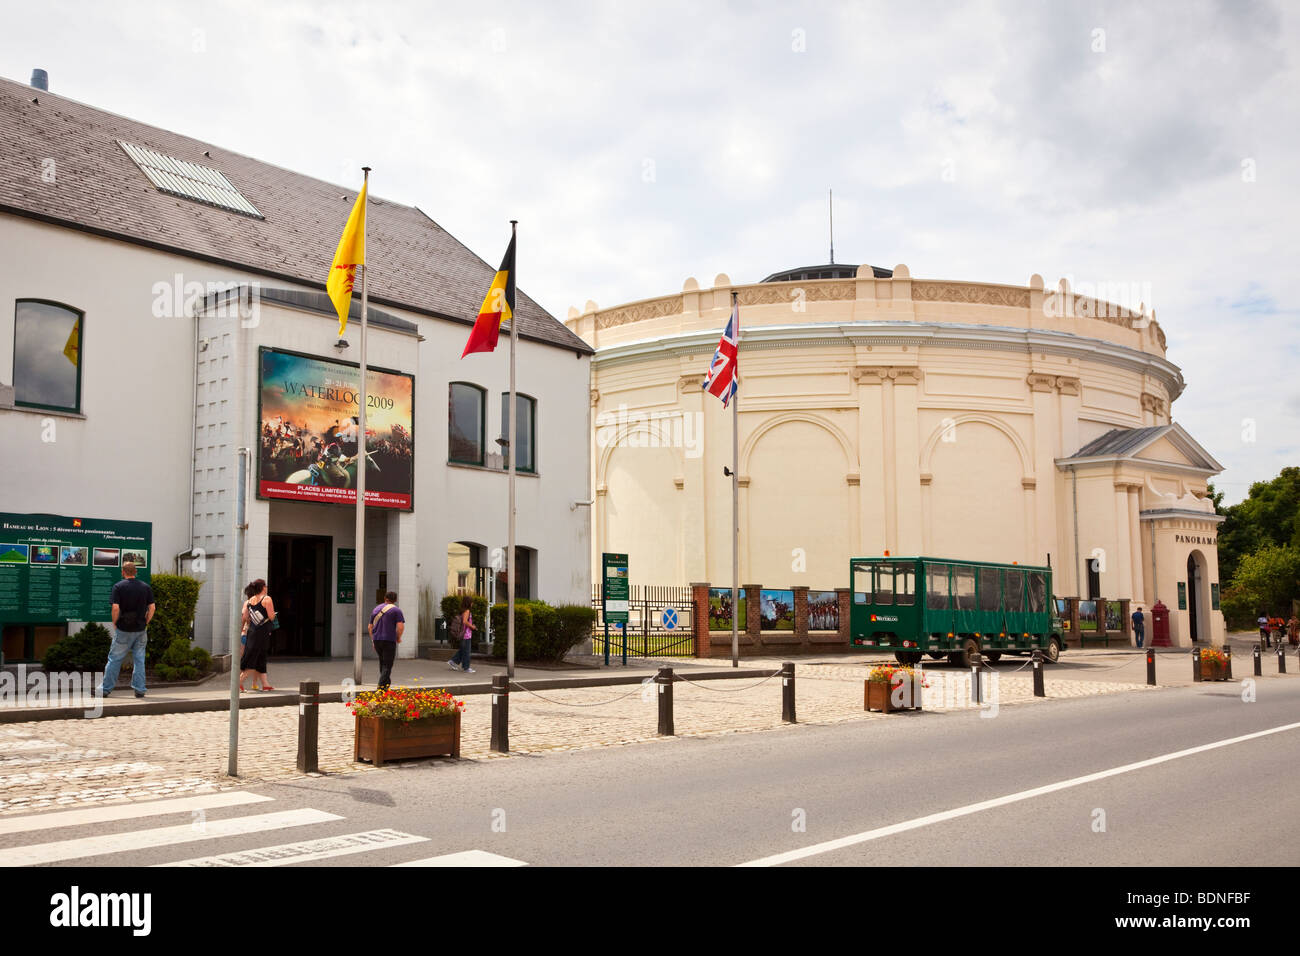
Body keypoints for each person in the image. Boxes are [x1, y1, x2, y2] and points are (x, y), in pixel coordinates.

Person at [101, 561, 155, 698]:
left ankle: (105, 689)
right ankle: (140, 689)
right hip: (140, 630)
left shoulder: (118, 587)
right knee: (139, 659)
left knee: (114, 659)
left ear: (123, 572)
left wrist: (114, 622)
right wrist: (146, 622)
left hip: (123, 629)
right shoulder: (145, 587)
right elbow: (152, 607)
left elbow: (115, 608)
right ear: (135, 572)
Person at [239, 579, 275, 691]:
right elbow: (271, 616)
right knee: (254, 658)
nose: (267, 587)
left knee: (261, 657)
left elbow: (244, 617)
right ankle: (238, 682)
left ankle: (265, 684)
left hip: (252, 632)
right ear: (263, 587)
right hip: (262, 632)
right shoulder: (267, 599)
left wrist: (241, 630)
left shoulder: (250, 601)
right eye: (266, 585)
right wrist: (273, 615)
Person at [368, 590, 405, 690]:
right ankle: (380, 688)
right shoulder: (396, 610)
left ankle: (385, 687)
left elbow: (370, 626)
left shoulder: (376, 609)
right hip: (389, 640)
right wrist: (398, 637)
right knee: (388, 665)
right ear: (396, 599)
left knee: (383, 663)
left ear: (385, 598)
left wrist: (373, 640)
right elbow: (400, 626)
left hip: (377, 640)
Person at [448, 595, 476, 674]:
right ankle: (466, 668)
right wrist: (472, 626)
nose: (472, 603)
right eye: (471, 602)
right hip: (465, 635)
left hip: (465, 634)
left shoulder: (463, 610)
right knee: (466, 652)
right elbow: (464, 621)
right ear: (469, 603)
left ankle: (453, 661)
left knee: (463, 650)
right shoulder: (467, 611)